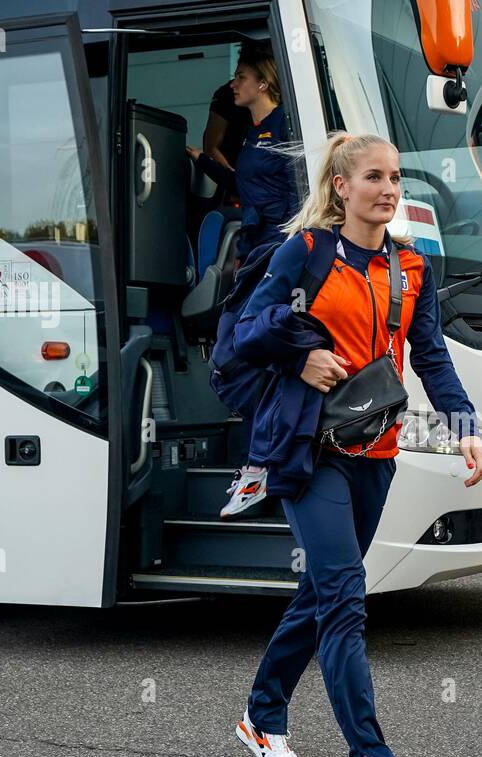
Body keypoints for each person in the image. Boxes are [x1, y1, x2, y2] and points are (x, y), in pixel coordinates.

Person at [231, 132, 482, 757]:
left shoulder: (412, 269)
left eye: (396, 177)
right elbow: (244, 332)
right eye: (374, 176)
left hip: (376, 454)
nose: (389, 188)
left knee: (321, 595)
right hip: (311, 453)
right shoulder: (307, 251)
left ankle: (260, 714)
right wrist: (300, 355)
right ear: (341, 187)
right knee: (345, 600)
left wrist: (466, 429)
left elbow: (430, 357)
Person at [185, 44, 300, 518]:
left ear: (263, 84)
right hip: (255, 253)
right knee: (238, 354)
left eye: (240, 77)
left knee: (238, 352)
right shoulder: (252, 135)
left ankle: (261, 467)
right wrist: (200, 159)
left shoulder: (285, 132)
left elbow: (299, 197)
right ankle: (263, 465)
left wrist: (294, 260)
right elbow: (242, 186)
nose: (233, 84)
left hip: (275, 254)